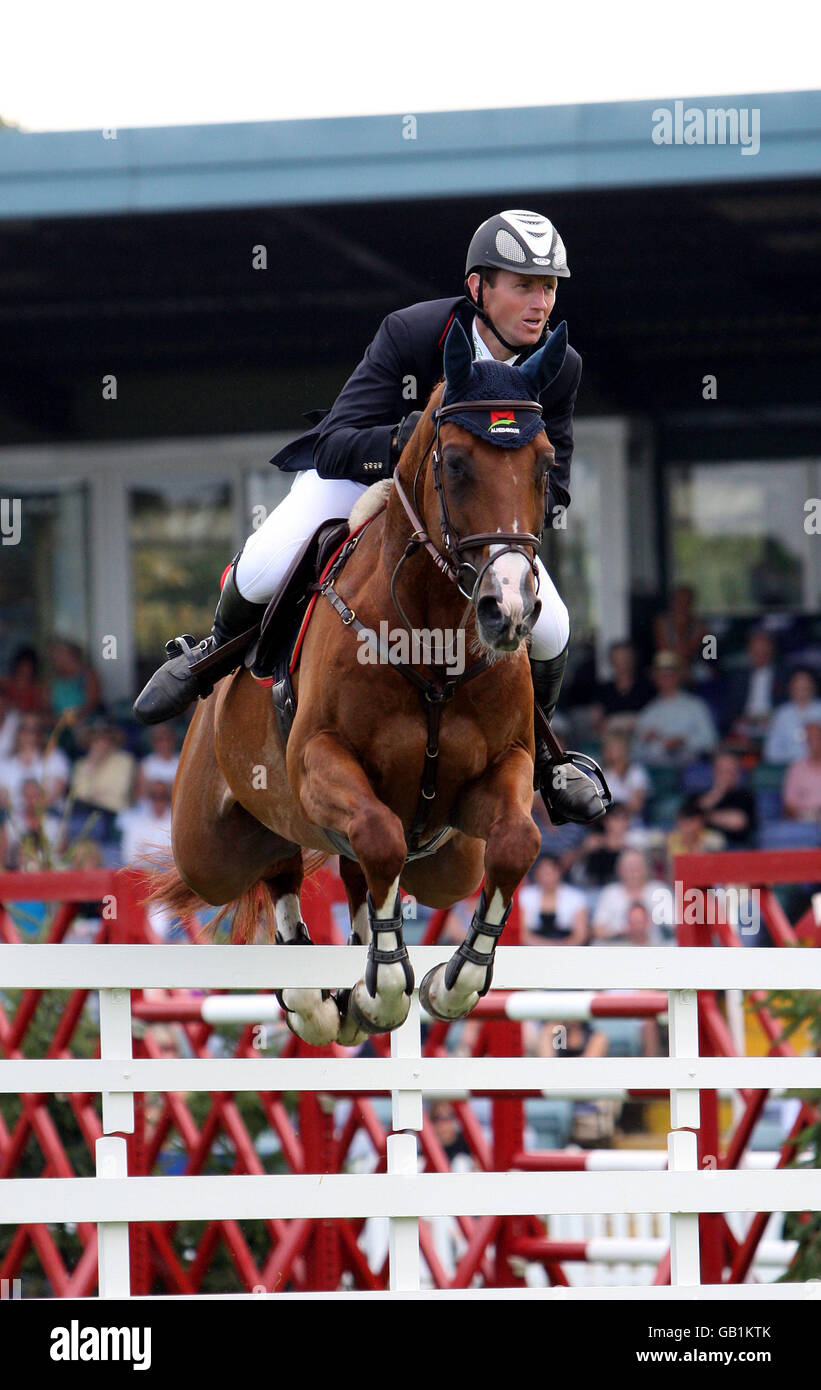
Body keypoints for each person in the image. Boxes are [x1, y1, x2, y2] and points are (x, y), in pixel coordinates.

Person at [132, 210, 606, 826]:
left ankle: (543, 760)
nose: (539, 301)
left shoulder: (559, 367)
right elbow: (336, 441)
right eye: (522, 283)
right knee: (263, 564)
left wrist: (515, 514)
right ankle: (212, 656)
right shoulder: (413, 333)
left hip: (477, 518)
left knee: (553, 628)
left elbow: (558, 474)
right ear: (477, 289)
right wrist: (411, 443)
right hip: (363, 478)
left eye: (548, 286)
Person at [632, 652, 718, 767]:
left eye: (670, 675)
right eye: (661, 676)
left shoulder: (695, 705)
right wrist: (645, 740)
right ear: (656, 679)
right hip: (658, 769)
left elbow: (710, 739)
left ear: (678, 676)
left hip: (690, 766)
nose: (666, 680)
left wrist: (684, 741)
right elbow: (635, 750)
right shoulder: (648, 712)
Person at [592, 849, 672, 943]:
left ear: (646, 868)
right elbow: (597, 930)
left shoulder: (660, 891)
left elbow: (674, 927)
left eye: (637, 866)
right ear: (619, 870)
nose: (633, 871)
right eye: (628, 867)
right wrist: (623, 933)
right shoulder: (610, 893)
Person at [519, 850, 589, 945]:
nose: (547, 878)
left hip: (568, 951)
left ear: (559, 872)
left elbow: (580, 935)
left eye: (550, 873)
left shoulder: (576, 897)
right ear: (536, 874)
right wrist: (546, 947)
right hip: (532, 949)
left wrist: (559, 949)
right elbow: (522, 933)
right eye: (543, 873)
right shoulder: (524, 896)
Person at [590, 640, 655, 734]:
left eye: (625, 658)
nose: (622, 663)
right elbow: (596, 723)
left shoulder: (647, 687)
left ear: (632, 660)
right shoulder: (603, 690)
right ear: (612, 661)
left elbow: (655, 719)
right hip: (613, 741)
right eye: (617, 658)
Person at [694, 749, 756, 847]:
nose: (726, 776)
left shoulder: (745, 796)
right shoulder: (698, 794)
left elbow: (738, 822)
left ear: (737, 773)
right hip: (703, 848)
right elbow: (691, 820)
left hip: (734, 848)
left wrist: (705, 817)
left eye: (730, 771)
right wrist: (718, 792)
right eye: (722, 771)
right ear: (714, 772)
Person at [763, 668, 821, 765]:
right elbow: (771, 750)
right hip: (787, 766)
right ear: (790, 688)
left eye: (805, 686)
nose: (801, 690)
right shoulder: (782, 713)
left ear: (813, 687)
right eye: (797, 686)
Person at [598, 732, 649, 821]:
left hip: (632, 822)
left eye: (617, 747)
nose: (614, 751)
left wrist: (618, 810)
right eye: (611, 748)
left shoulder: (636, 771)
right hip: (609, 824)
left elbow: (637, 805)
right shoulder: (601, 775)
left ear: (625, 750)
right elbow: (600, 807)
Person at [782, 719, 821, 820]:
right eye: (810, 738)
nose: (813, 742)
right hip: (804, 821)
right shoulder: (796, 768)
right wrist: (806, 815)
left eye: (817, 737)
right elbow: (788, 806)